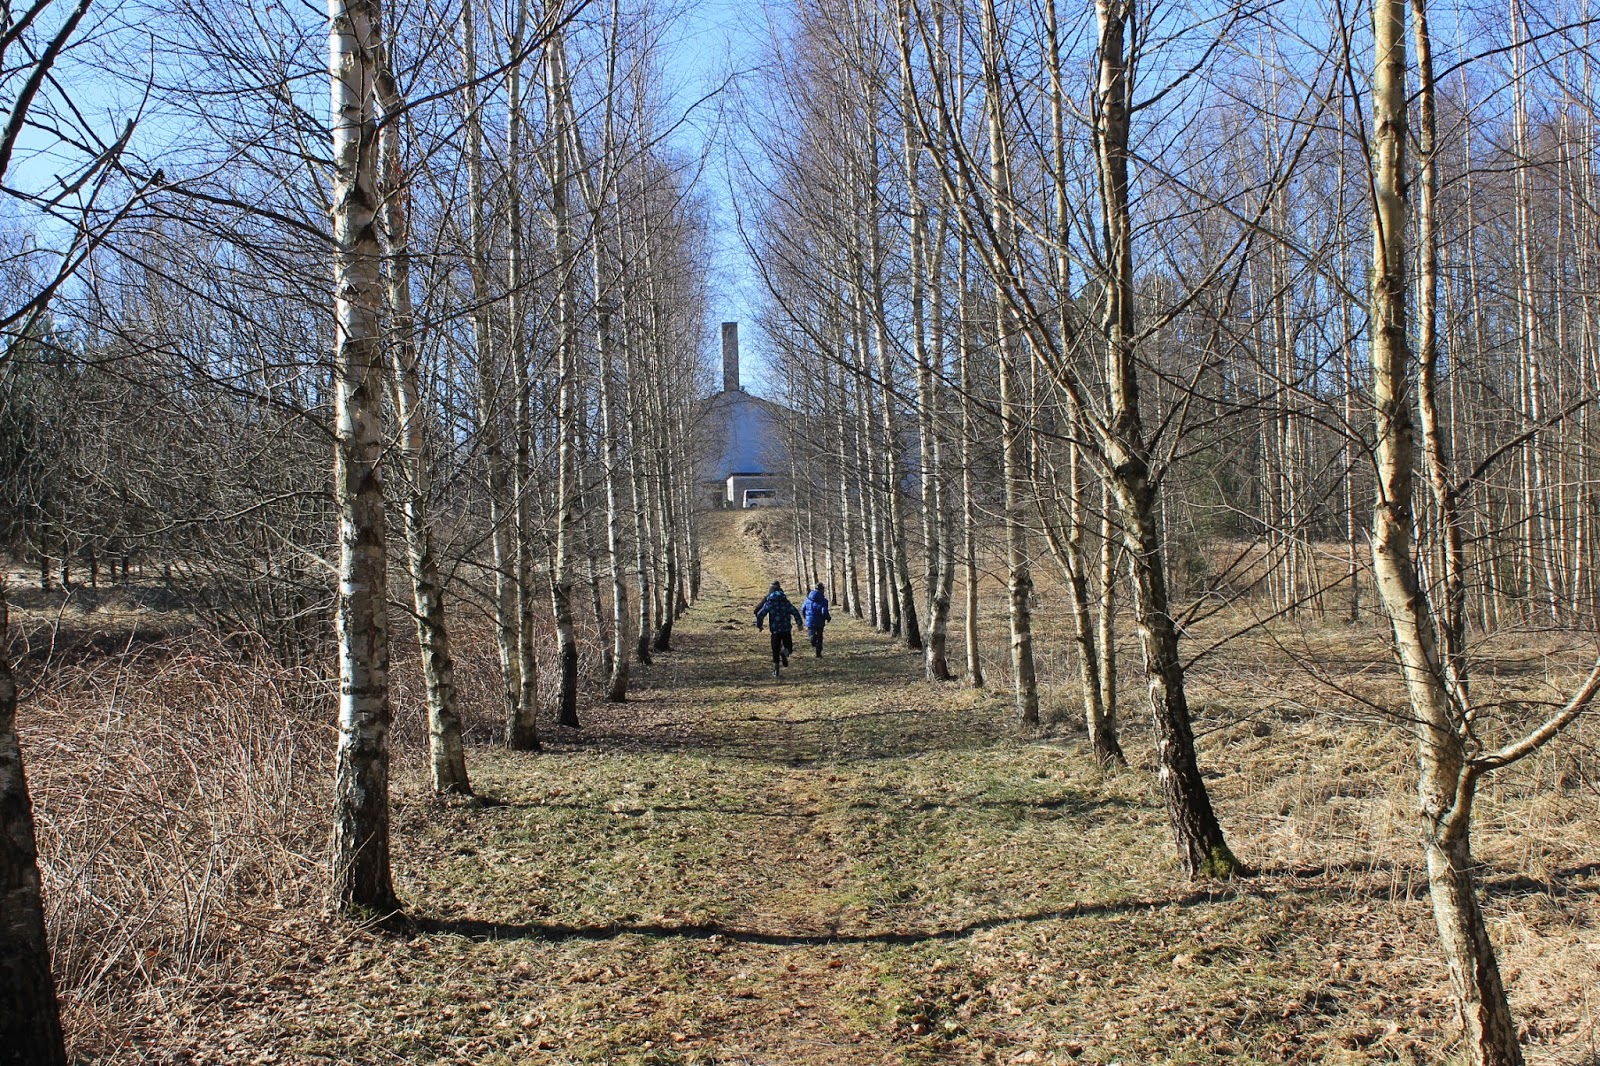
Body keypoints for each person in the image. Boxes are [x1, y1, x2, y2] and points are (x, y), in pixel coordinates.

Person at [754, 580, 804, 677]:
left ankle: (776, 670)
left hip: (775, 630)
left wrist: (759, 625)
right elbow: (795, 612)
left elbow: (760, 614)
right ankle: (785, 653)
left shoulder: (770, 603)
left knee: (775, 650)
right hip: (786, 629)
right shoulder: (786, 602)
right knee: (789, 647)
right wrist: (799, 624)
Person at [801, 583, 831, 657]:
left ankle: (812, 639)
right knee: (820, 637)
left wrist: (805, 616)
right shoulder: (824, 601)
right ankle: (818, 653)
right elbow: (824, 611)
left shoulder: (807, 599)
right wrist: (828, 618)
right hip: (820, 622)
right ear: (822, 590)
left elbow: (803, 609)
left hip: (810, 621)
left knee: (811, 632)